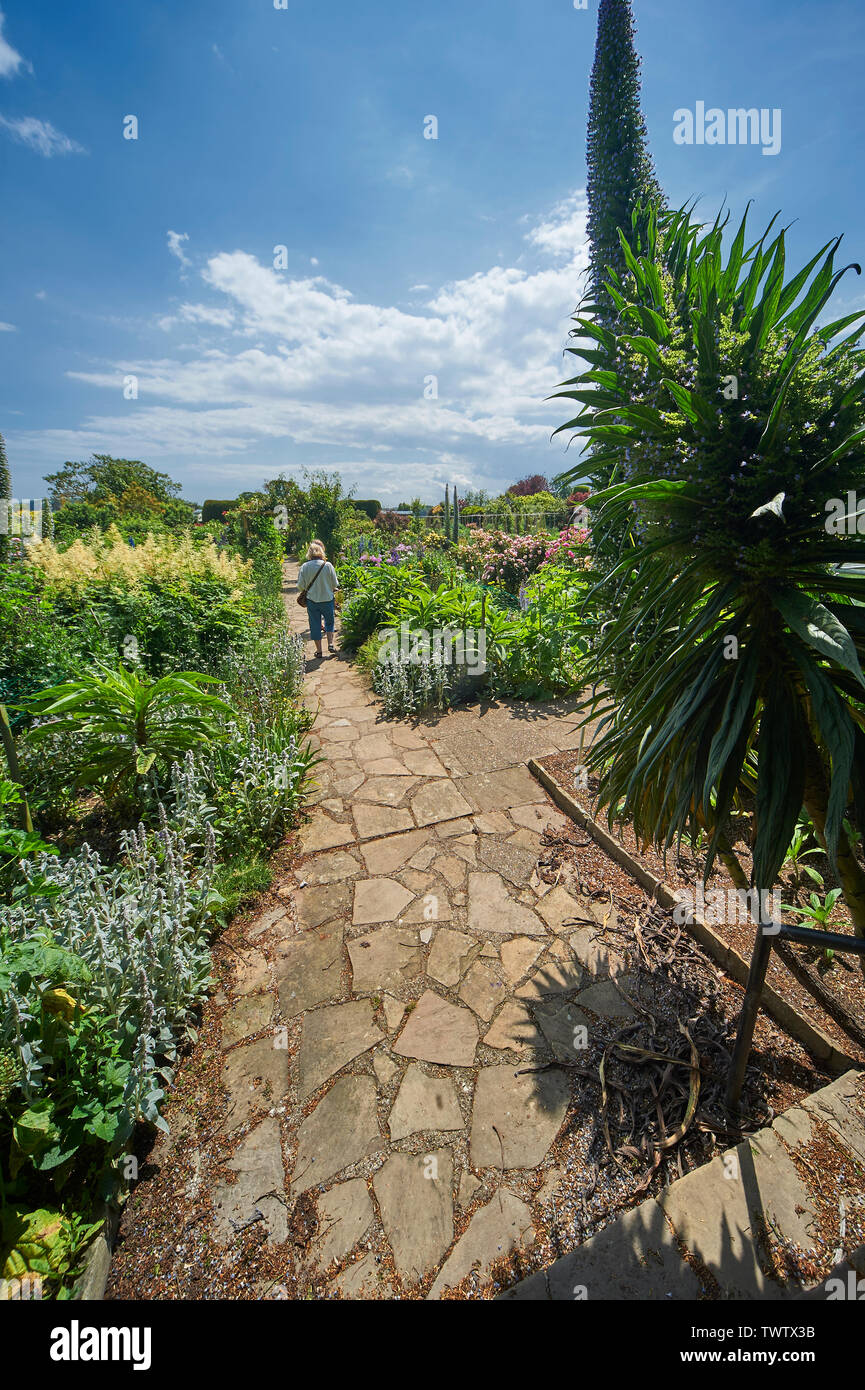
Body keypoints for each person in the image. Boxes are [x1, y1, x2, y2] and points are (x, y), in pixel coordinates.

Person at [297, 540, 339, 659]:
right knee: (329, 621)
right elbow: (335, 584)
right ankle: (330, 644)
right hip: (327, 599)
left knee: (315, 624)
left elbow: (300, 586)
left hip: (312, 601)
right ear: (321, 552)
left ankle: (319, 651)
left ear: (309, 553)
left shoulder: (305, 566)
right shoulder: (328, 565)